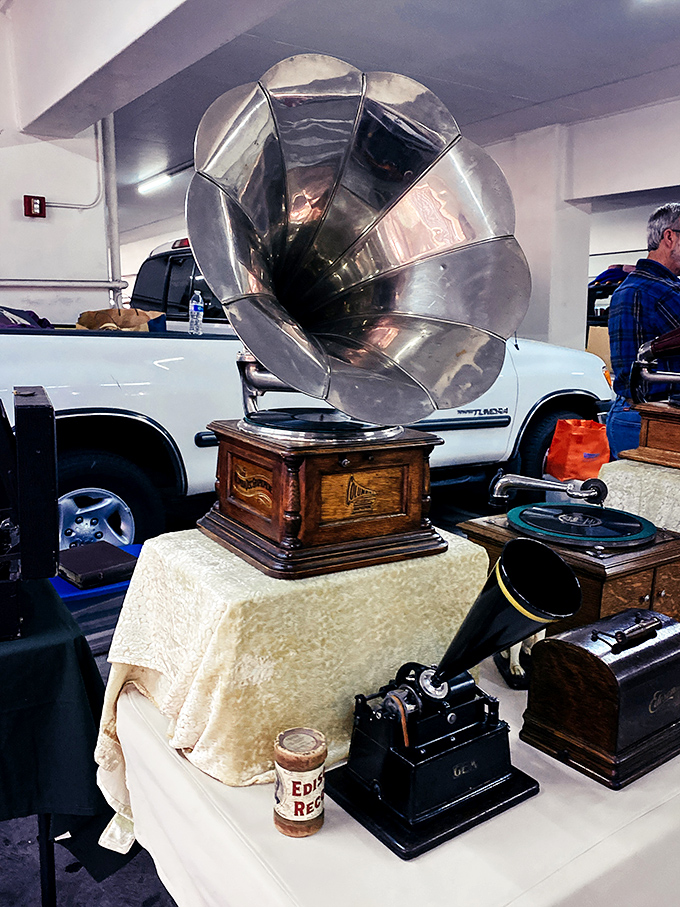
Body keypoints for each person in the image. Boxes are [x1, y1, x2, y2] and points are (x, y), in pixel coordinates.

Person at [606, 203, 680, 457]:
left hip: (634, 414)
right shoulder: (658, 292)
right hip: (650, 418)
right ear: (669, 237)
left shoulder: (634, 286)